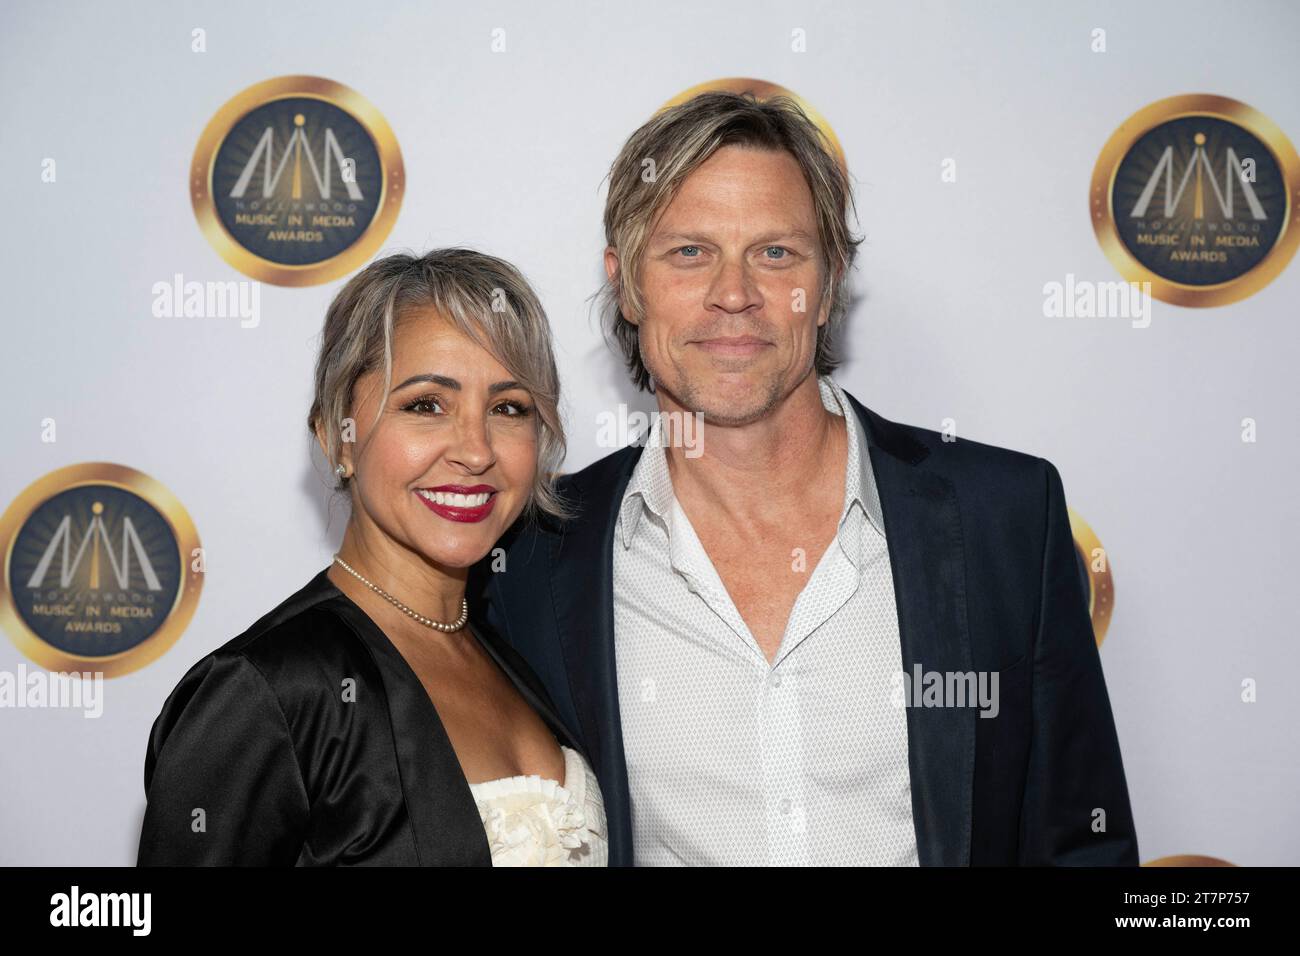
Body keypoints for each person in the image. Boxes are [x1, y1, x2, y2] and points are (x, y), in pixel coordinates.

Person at [469, 92, 1139, 866]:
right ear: (626, 285)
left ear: (828, 286)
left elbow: (1079, 845)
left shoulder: (1005, 519)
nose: (734, 293)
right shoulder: (532, 558)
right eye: (689, 251)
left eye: (776, 253)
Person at [138, 248, 606, 866]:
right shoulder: (270, 690)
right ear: (338, 436)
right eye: (425, 405)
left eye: (508, 407)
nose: (475, 450)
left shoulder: (514, 651)